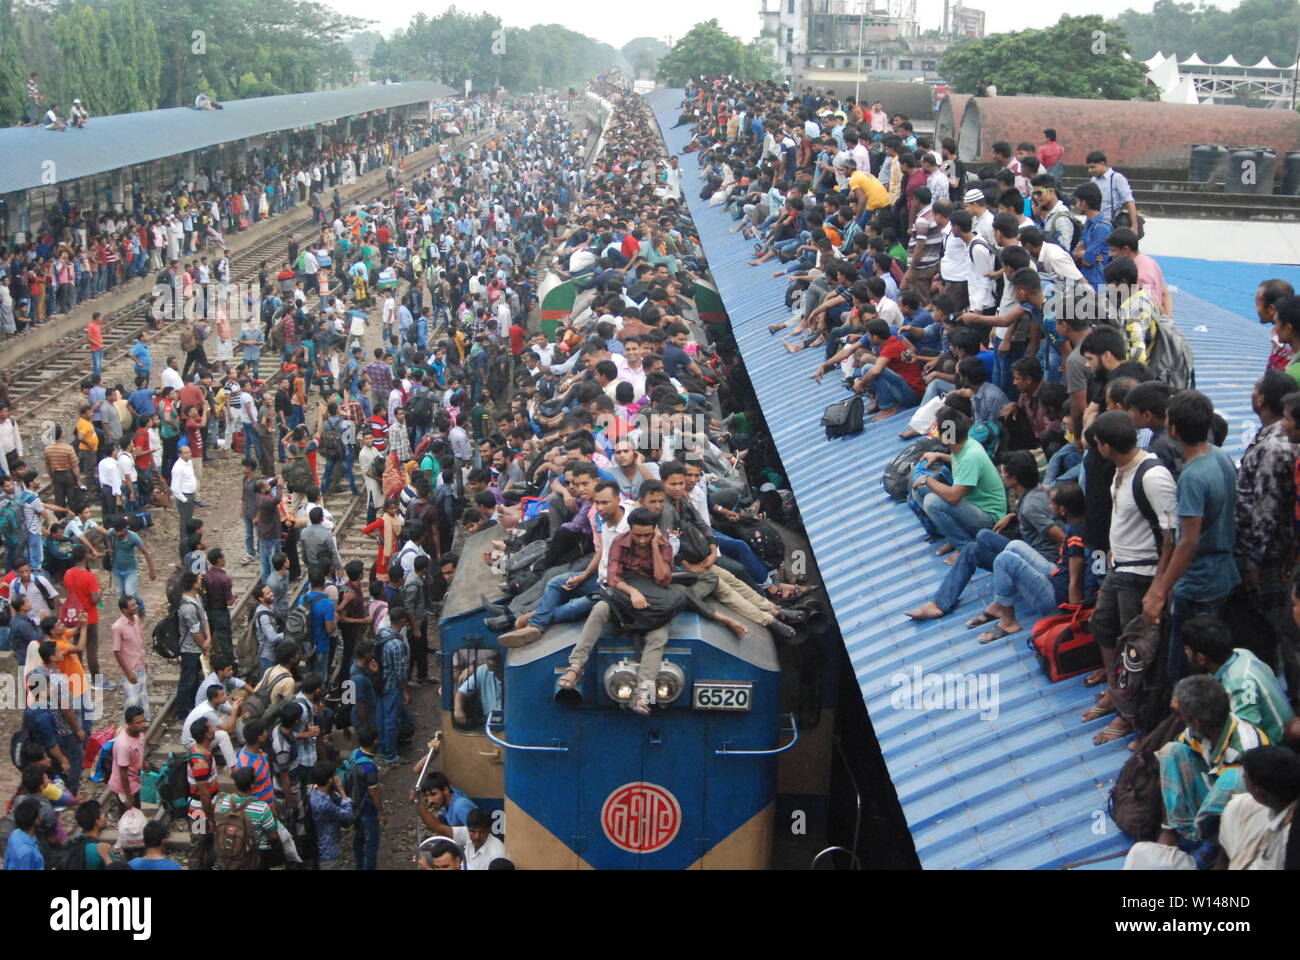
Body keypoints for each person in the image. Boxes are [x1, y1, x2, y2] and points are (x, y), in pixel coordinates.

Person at [913, 409, 1008, 555]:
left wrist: (927, 479)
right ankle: (954, 537)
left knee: (931, 501)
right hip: (971, 506)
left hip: (988, 516)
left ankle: (965, 548)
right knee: (919, 491)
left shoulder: (970, 456)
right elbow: (959, 463)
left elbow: (953, 497)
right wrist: (939, 455)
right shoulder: (962, 444)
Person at [416, 803, 506, 870]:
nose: (476, 836)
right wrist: (419, 805)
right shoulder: (467, 834)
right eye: (472, 832)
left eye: (481, 832)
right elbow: (439, 828)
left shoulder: (497, 853)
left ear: (489, 830)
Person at [348, 725, 385, 871]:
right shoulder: (369, 768)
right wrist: (382, 812)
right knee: (371, 842)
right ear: (374, 742)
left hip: (354, 805)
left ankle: (358, 865)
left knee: (358, 838)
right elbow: (374, 794)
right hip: (367, 810)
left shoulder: (354, 754)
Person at [307, 761, 354, 870]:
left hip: (312, 848)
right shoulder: (325, 803)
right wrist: (342, 791)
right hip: (327, 852)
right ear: (329, 780)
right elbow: (348, 817)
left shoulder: (310, 792)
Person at [111, 594, 149, 719]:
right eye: (132, 605)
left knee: (142, 697)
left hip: (140, 665)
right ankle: (130, 726)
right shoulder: (117, 627)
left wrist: (145, 659)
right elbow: (117, 651)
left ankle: (142, 723)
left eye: (135, 604)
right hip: (130, 669)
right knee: (132, 702)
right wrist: (128, 673)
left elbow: (140, 641)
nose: (136, 607)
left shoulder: (136, 620)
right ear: (124, 610)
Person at [109, 705, 149, 810]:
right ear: (129, 724)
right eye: (138, 723)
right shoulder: (124, 745)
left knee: (137, 809)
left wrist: (143, 763)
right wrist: (128, 796)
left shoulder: (139, 734)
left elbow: (138, 750)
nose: (142, 725)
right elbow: (123, 772)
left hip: (134, 780)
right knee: (128, 816)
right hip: (124, 786)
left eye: (143, 721)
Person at [4, 799, 45, 870]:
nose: (41, 816)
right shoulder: (26, 852)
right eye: (39, 814)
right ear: (36, 820)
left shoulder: (15, 833)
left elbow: (7, 859)